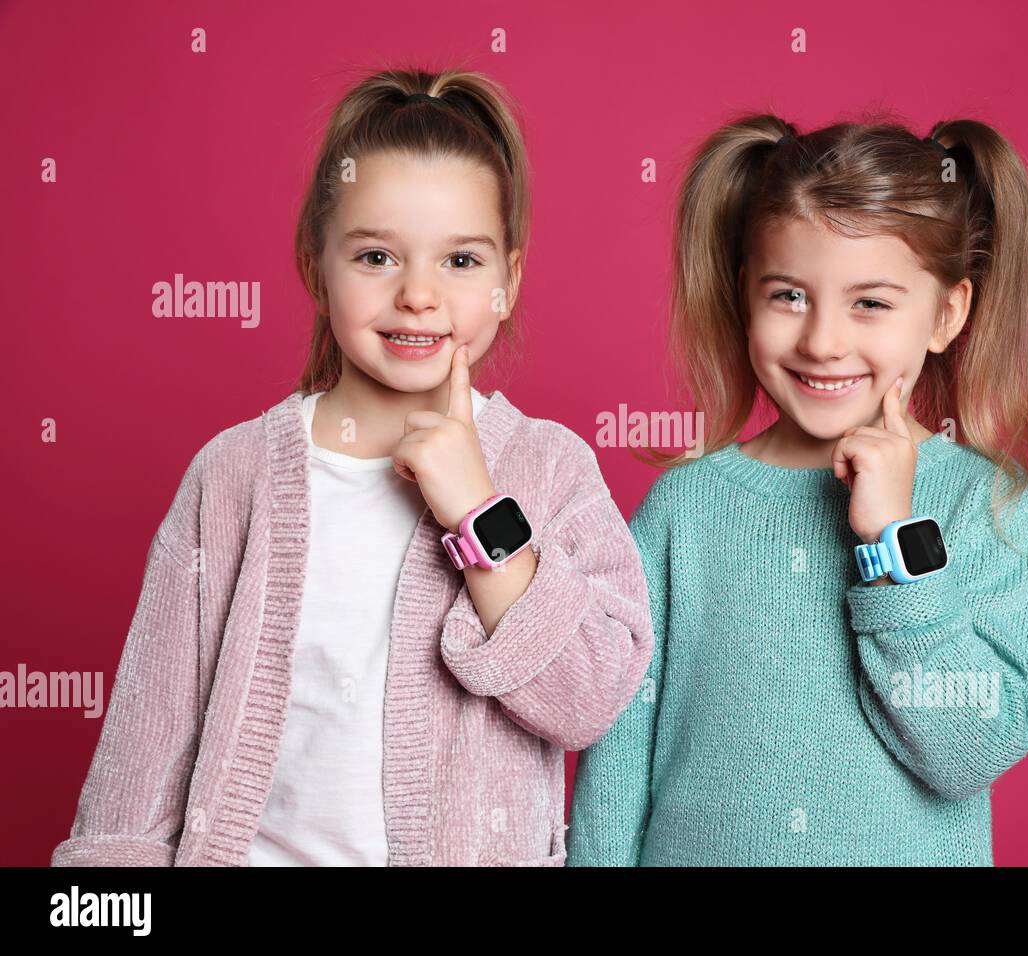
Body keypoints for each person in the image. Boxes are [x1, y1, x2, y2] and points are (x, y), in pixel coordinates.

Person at [50, 66, 653, 867]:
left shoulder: (550, 466)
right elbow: (145, 743)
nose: (418, 296)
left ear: (509, 281)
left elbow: (589, 699)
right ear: (316, 265)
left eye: (461, 262)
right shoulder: (234, 475)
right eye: (376, 256)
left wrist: (478, 508)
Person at [567, 115, 1028, 866]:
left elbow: (970, 752)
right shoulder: (684, 511)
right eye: (789, 296)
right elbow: (618, 764)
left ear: (946, 313)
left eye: (870, 303)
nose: (823, 341)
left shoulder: (984, 506)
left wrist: (896, 545)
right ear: (745, 293)